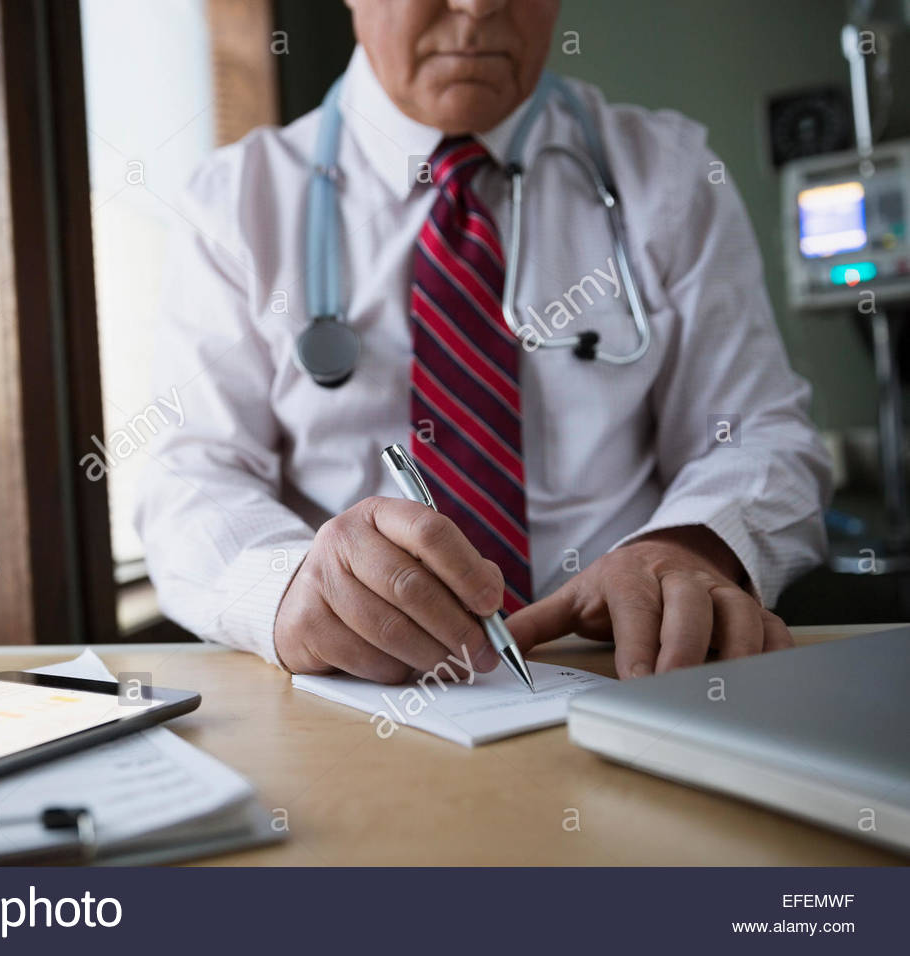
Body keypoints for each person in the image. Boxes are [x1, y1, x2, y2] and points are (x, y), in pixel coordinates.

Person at [133, 0, 831, 683]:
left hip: (624, 669)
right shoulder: (236, 202)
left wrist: (686, 547)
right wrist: (286, 586)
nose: (477, 7)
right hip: (367, 689)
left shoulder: (672, 176)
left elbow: (757, 434)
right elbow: (189, 478)